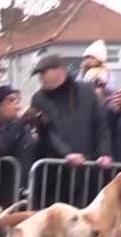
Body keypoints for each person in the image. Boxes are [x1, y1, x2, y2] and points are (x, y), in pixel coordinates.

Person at [28, 54, 112, 206]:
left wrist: (104, 152)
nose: (41, 78)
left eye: (43, 73)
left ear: (59, 71)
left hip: (88, 170)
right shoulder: (38, 99)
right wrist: (66, 153)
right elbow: (46, 132)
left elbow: (101, 125)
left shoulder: (86, 91)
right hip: (55, 173)